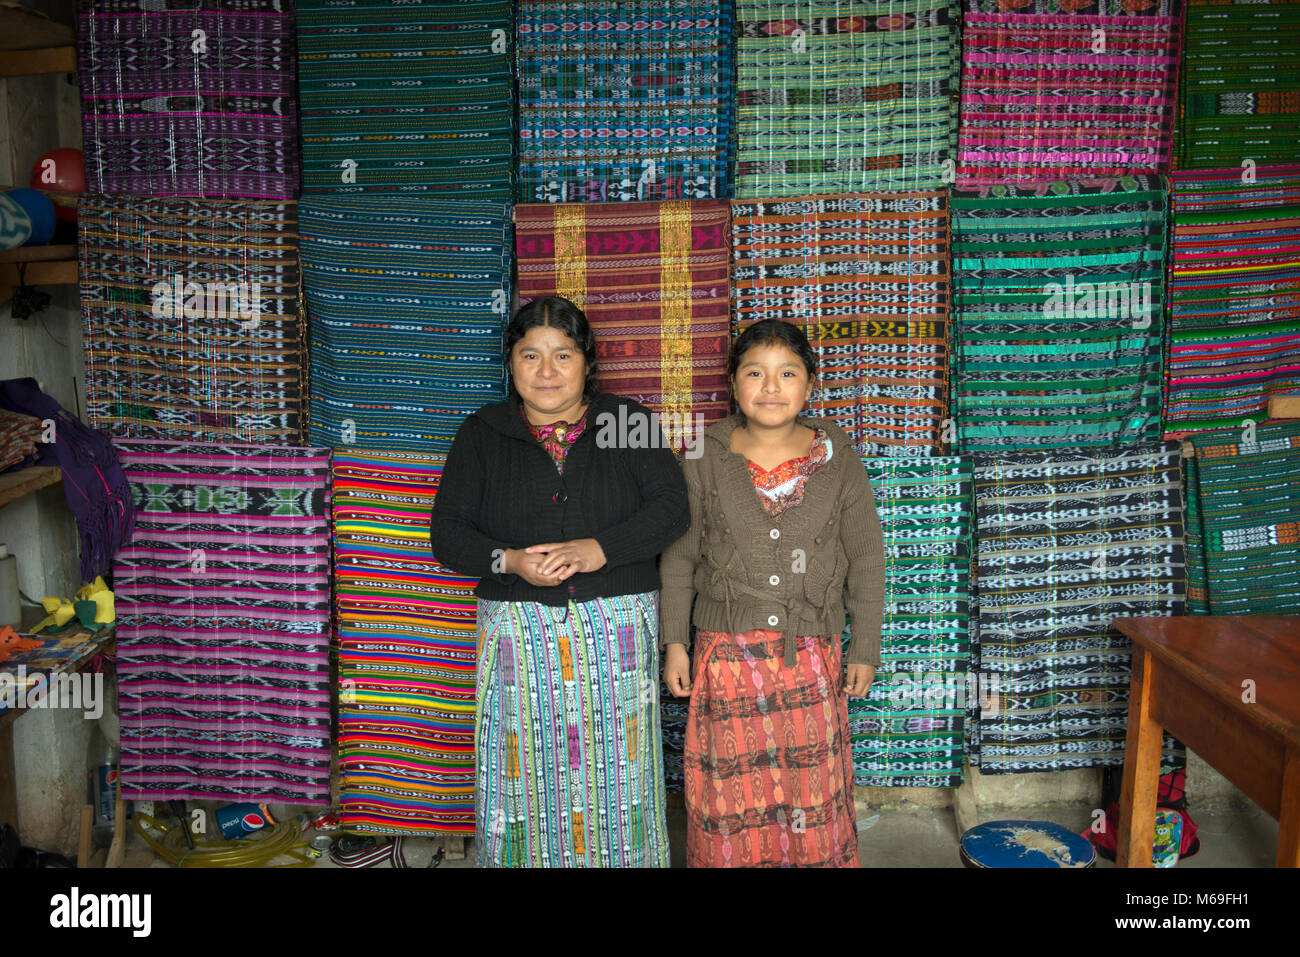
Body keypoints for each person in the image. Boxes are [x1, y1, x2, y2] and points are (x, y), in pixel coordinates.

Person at [429, 295, 689, 868]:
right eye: (530, 356)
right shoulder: (483, 432)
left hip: (616, 631)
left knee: (620, 773)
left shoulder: (626, 422)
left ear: (587, 362)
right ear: (511, 363)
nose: (547, 372)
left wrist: (602, 549)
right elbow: (447, 535)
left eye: (563, 356)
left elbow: (672, 509)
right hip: (518, 634)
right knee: (520, 766)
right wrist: (511, 561)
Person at [659, 318, 886, 867]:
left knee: (811, 789)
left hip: (810, 658)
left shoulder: (836, 456)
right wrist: (675, 644)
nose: (770, 387)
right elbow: (681, 557)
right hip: (726, 660)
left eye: (787, 374)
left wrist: (864, 649)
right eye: (754, 373)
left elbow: (867, 556)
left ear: (810, 385)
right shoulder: (702, 456)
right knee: (730, 792)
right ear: (733, 385)